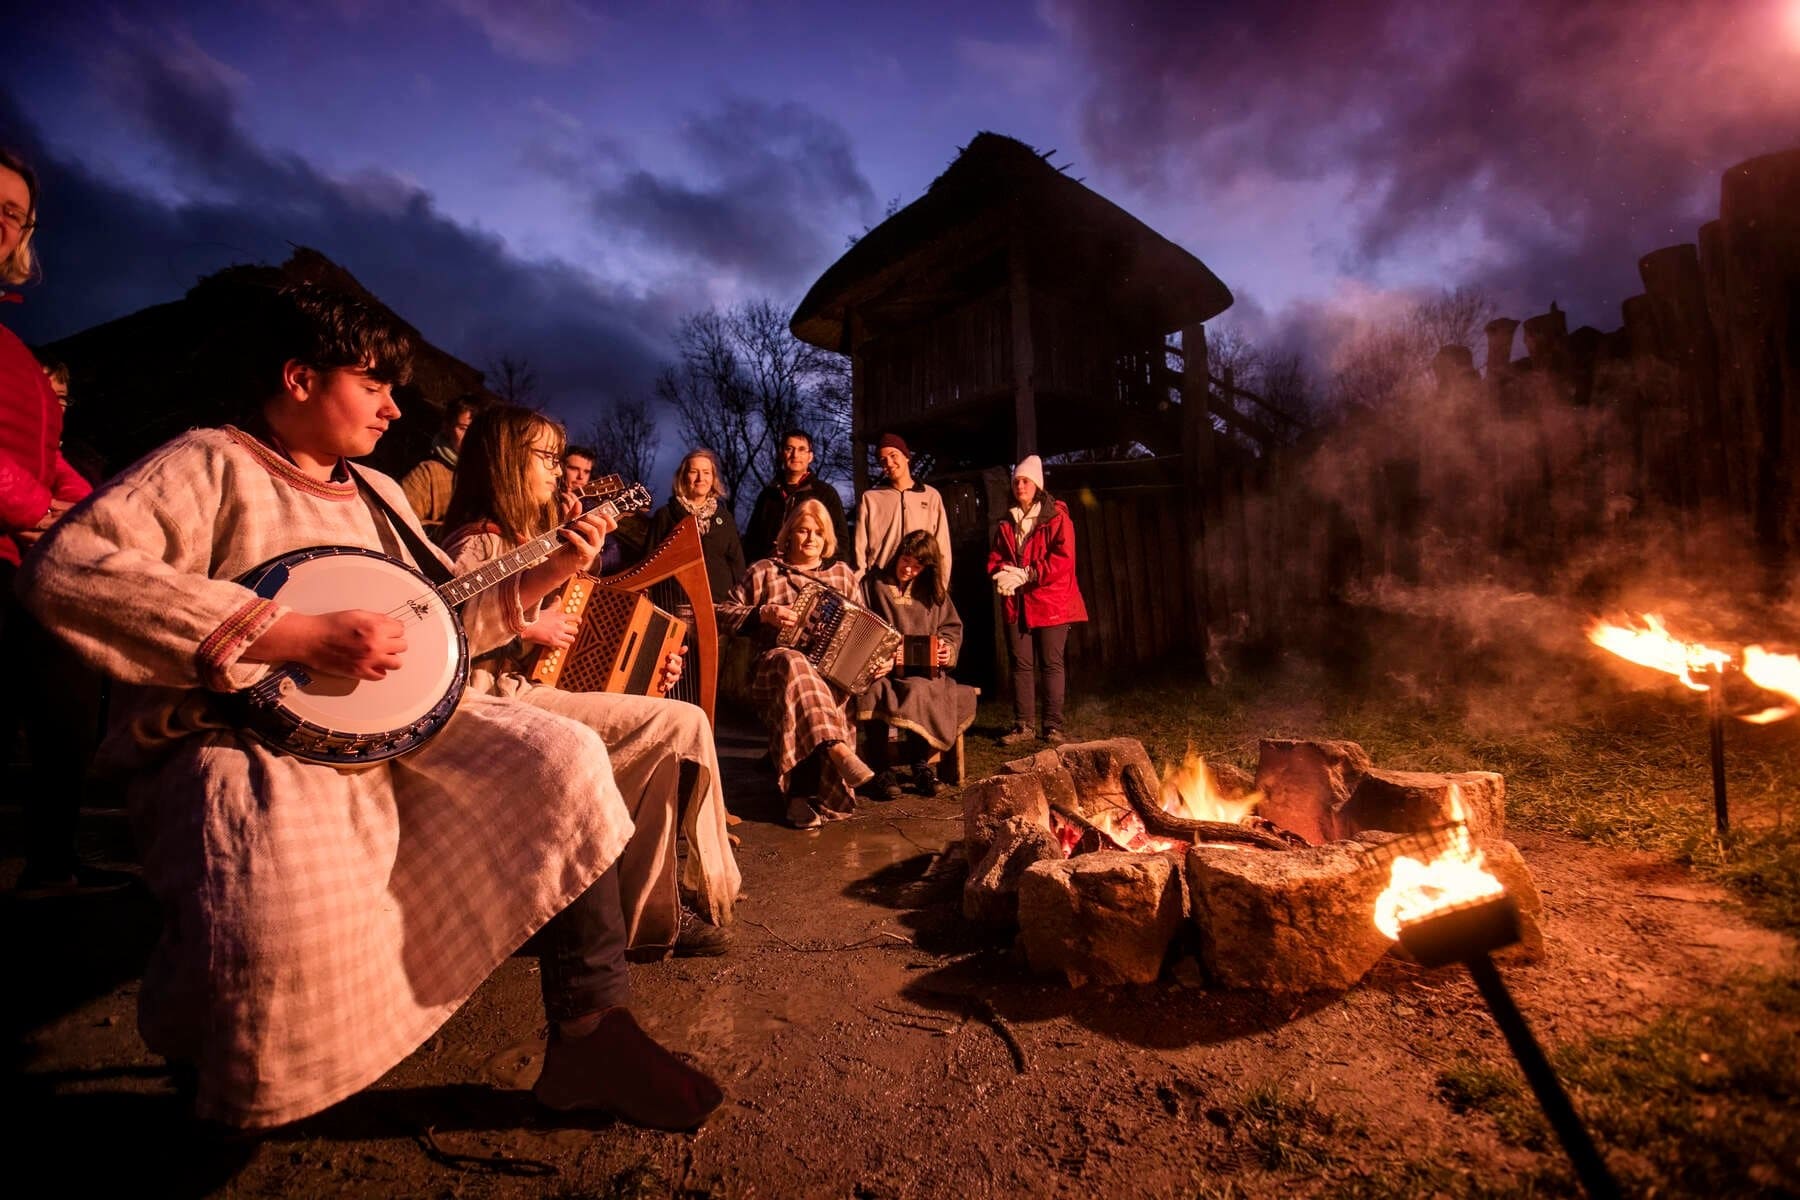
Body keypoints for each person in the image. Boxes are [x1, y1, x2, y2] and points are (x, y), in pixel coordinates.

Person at [17, 283, 723, 1133]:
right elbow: (68, 569)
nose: (394, 407)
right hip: (248, 733)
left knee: (564, 758)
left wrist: (546, 572)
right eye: (373, 384)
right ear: (300, 377)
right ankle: (229, 1067)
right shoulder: (209, 463)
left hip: (402, 724)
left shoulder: (380, 495)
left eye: (394, 388)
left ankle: (591, 1031)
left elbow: (443, 611)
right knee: (276, 866)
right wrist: (293, 633)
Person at [439, 408, 739, 958]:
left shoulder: (535, 538)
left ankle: (657, 904)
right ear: (506, 461)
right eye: (546, 459)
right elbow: (449, 630)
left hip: (537, 690)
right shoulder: (476, 542)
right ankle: (666, 905)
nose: (558, 472)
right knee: (684, 722)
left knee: (678, 723)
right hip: (489, 697)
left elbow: (579, 641)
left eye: (560, 459)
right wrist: (529, 624)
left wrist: (651, 667)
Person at [0, 146, 112, 896]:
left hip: (25, 567)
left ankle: (50, 862)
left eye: (12, 214)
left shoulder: (14, 350)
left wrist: (99, 513)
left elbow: (45, 453)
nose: (0, 224)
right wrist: (39, 509)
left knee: (65, 714)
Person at [718, 500, 882, 829]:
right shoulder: (764, 570)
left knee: (809, 679)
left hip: (830, 680)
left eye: (818, 533)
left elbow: (868, 633)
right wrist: (762, 613)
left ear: (827, 538)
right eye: (803, 531)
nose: (810, 539)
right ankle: (834, 753)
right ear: (788, 534)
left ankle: (805, 792)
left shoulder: (843, 575)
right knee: (794, 662)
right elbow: (719, 612)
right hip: (772, 672)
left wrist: (877, 661)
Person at [857, 529, 977, 799]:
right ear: (898, 554)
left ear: (927, 567)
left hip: (920, 672)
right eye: (905, 560)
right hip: (879, 667)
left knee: (921, 691)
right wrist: (882, 658)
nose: (909, 569)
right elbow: (861, 625)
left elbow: (950, 630)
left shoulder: (934, 594)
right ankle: (881, 768)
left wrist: (947, 650)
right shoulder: (873, 585)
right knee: (873, 691)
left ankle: (920, 767)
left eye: (917, 565)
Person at [987, 454, 1087, 746]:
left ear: (1037, 485)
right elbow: (995, 557)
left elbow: (1063, 560)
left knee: (1051, 664)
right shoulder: (1007, 521)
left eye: (1026, 481)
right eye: (1017, 481)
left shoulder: (1057, 517)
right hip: (1017, 604)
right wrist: (1000, 574)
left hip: (1051, 601)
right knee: (1020, 664)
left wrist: (1028, 574)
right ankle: (1023, 726)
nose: (1020, 485)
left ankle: (1052, 726)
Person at [643, 447, 746, 603]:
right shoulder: (665, 515)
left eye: (706, 472)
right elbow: (648, 563)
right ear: (683, 477)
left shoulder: (725, 517)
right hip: (676, 603)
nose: (700, 478)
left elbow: (737, 564)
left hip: (720, 604)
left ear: (713, 478)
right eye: (693, 472)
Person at [854, 431, 950, 583]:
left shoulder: (931, 496)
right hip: (883, 582)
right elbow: (860, 547)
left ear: (906, 456)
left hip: (921, 580)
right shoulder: (870, 498)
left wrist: (941, 584)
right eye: (883, 460)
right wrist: (861, 583)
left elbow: (942, 544)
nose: (889, 463)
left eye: (893, 456)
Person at [743, 428, 847, 565]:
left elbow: (841, 541)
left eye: (802, 449)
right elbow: (752, 541)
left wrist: (823, 570)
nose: (795, 455)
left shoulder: (825, 494)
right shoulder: (767, 496)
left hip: (812, 573)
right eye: (789, 449)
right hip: (773, 573)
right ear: (782, 454)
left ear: (810, 456)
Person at [398, 392, 479, 535]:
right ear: (447, 428)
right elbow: (399, 524)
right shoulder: (427, 473)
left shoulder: (496, 476)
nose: (471, 437)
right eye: (464, 429)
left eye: (477, 430)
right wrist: (452, 531)